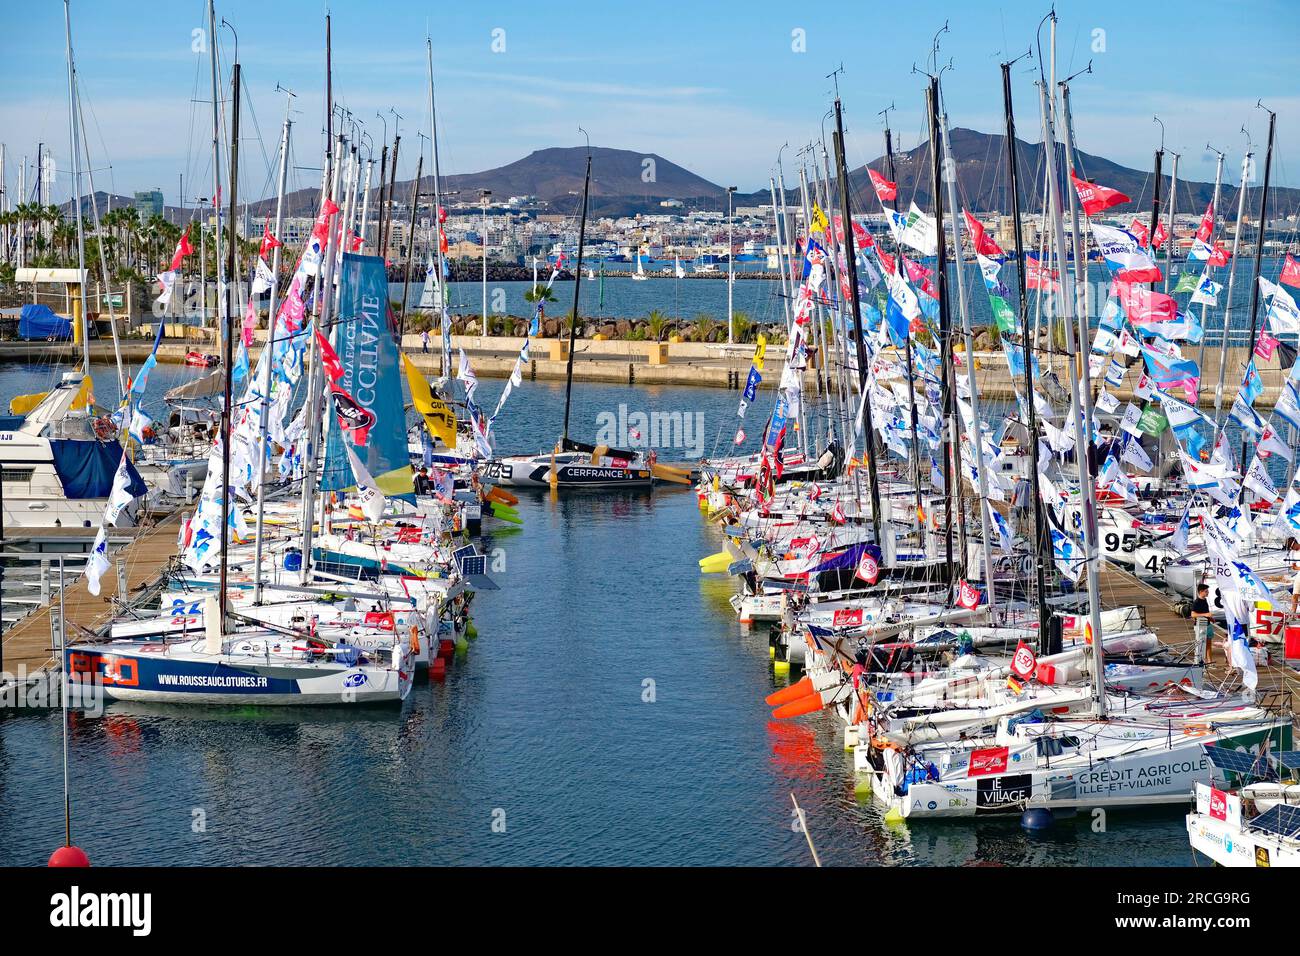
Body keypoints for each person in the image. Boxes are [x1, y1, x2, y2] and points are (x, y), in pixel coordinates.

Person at [1190, 583, 1213, 663]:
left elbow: (1206, 611)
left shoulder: (1205, 600)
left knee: (1209, 644)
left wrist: (1210, 618)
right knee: (1201, 644)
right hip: (1200, 626)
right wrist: (1205, 614)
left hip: (1208, 624)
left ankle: (1209, 661)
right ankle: (1201, 660)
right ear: (1201, 592)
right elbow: (1193, 614)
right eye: (1206, 591)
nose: (1208, 593)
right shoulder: (1196, 602)